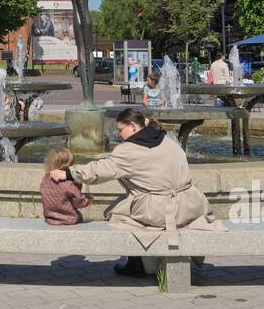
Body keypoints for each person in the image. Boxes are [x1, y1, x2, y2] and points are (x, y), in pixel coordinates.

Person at [49, 107, 225, 277]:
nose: (119, 134)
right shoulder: (167, 139)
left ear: (133, 126)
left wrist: (68, 172)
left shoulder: (128, 150)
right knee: (129, 203)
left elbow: (99, 170)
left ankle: (138, 264)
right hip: (191, 205)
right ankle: (149, 260)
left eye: (121, 129)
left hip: (163, 210)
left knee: (115, 214)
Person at [40, 148, 90, 225]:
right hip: (69, 218)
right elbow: (79, 201)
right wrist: (89, 200)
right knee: (79, 216)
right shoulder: (67, 183)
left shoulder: (45, 179)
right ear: (68, 165)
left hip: (50, 218)